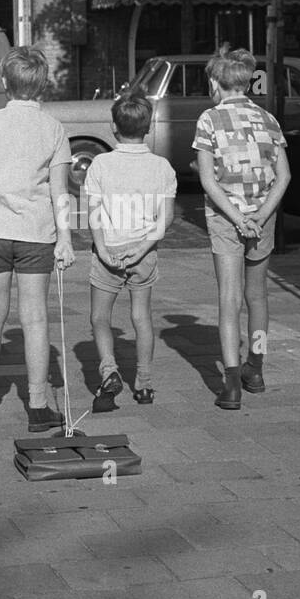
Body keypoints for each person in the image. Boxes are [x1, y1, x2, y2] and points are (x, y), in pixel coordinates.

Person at [0, 47, 75, 432]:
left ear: (5, 83)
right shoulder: (54, 129)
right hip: (36, 235)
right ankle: (38, 405)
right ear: (43, 85)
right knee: (35, 318)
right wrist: (66, 239)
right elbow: (61, 191)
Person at [191, 45, 291, 410]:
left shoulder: (208, 120)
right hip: (262, 219)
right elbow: (284, 176)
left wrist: (236, 217)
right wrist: (260, 216)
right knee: (258, 297)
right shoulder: (269, 120)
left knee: (228, 300)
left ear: (217, 82)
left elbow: (207, 180)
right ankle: (257, 367)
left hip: (225, 219)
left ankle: (231, 383)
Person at [85, 90, 177, 410]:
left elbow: (94, 213)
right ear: (149, 127)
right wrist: (140, 249)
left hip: (108, 248)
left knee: (99, 317)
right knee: (141, 317)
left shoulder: (100, 164)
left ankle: (109, 370)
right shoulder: (162, 167)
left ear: (113, 126)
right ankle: (145, 383)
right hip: (144, 251)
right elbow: (166, 218)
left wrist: (102, 247)